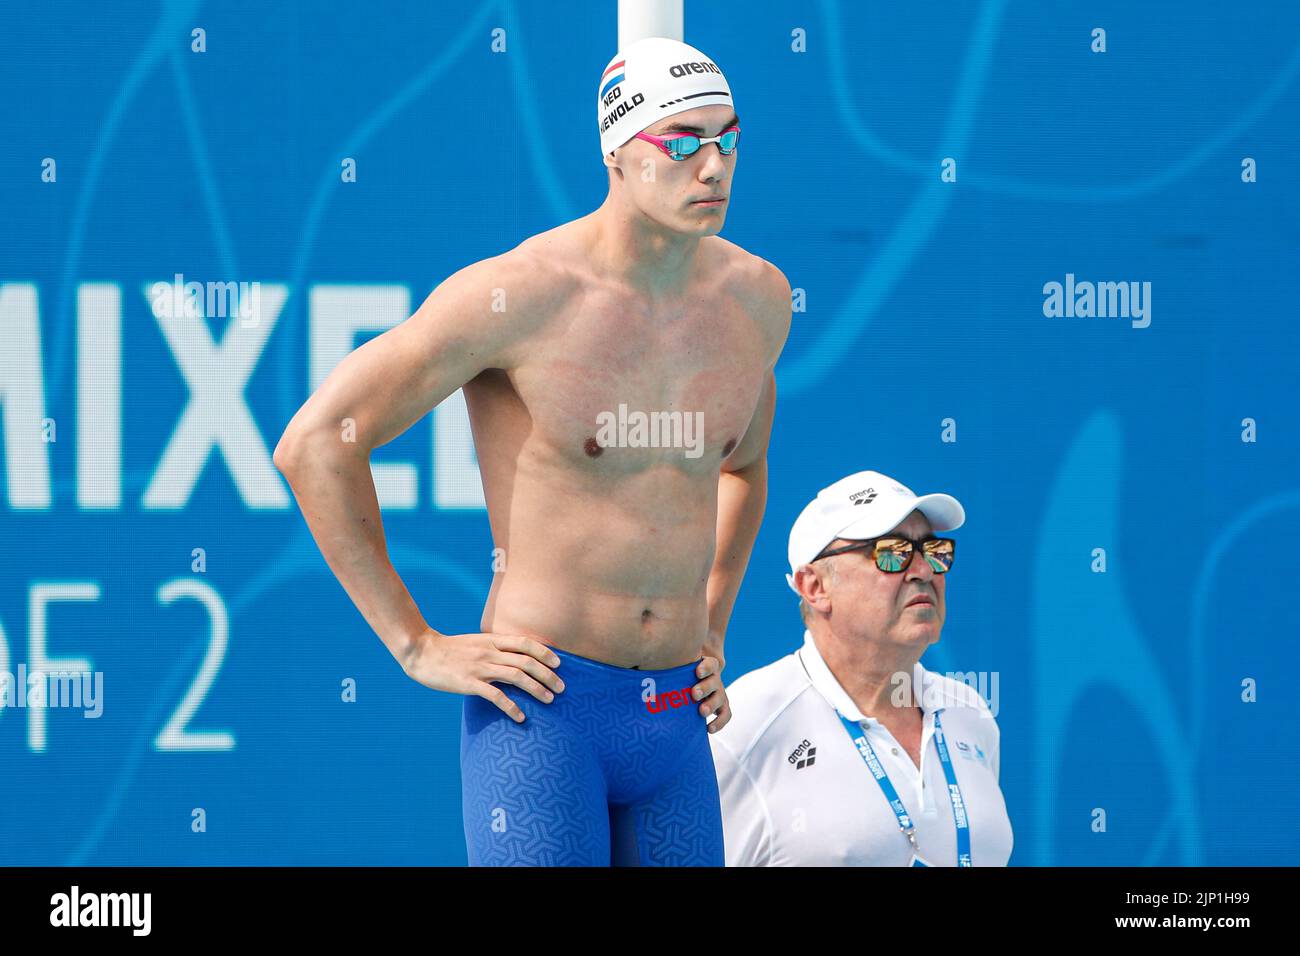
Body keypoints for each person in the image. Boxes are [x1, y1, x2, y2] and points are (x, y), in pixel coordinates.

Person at [273, 35, 791, 866]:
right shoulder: (519, 297)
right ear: (617, 154)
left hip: (674, 721)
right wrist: (415, 643)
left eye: (728, 138)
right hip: (543, 713)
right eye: (684, 142)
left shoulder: (756, 301)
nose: (714, 166)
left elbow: (741, 464)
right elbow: (315, 444)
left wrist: (715, 624)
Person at [709, 471, 1013, 866]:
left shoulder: (970, 713)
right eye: (892, 551)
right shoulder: (744, 724)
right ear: (814, 586)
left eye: (933, 550)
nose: (923, 570)